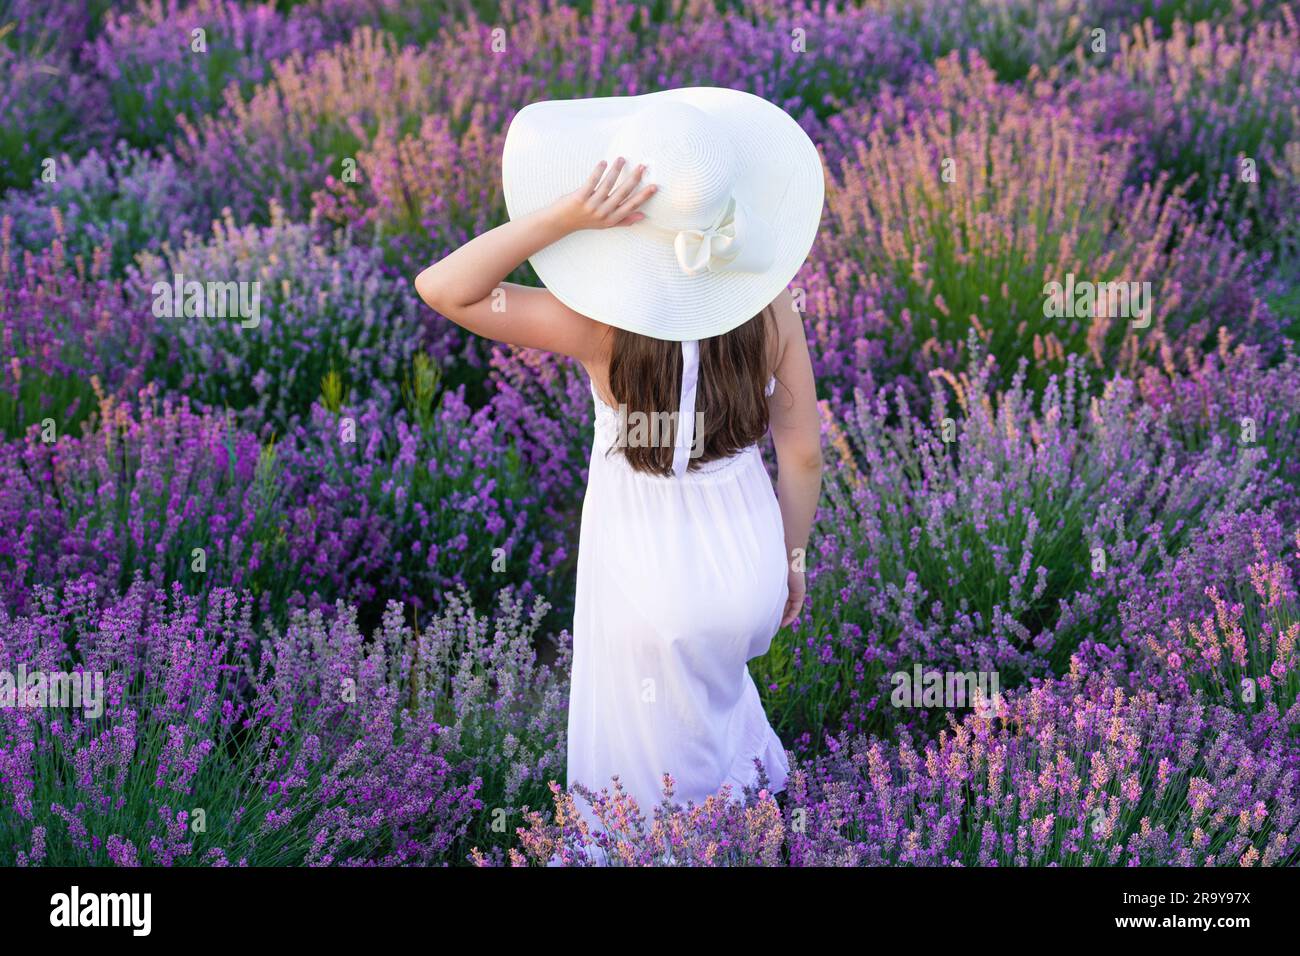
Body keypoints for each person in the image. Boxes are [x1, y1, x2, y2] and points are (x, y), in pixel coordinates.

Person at [415, 88, 824, 853]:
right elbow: (801, 451)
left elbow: (445, 288)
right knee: (718, 704)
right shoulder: (773, 308)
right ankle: (743, 837)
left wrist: (562, 218)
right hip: (749, 566)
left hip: (649, 577)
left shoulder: (600, 328)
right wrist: (791, 560)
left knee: (644, 768)